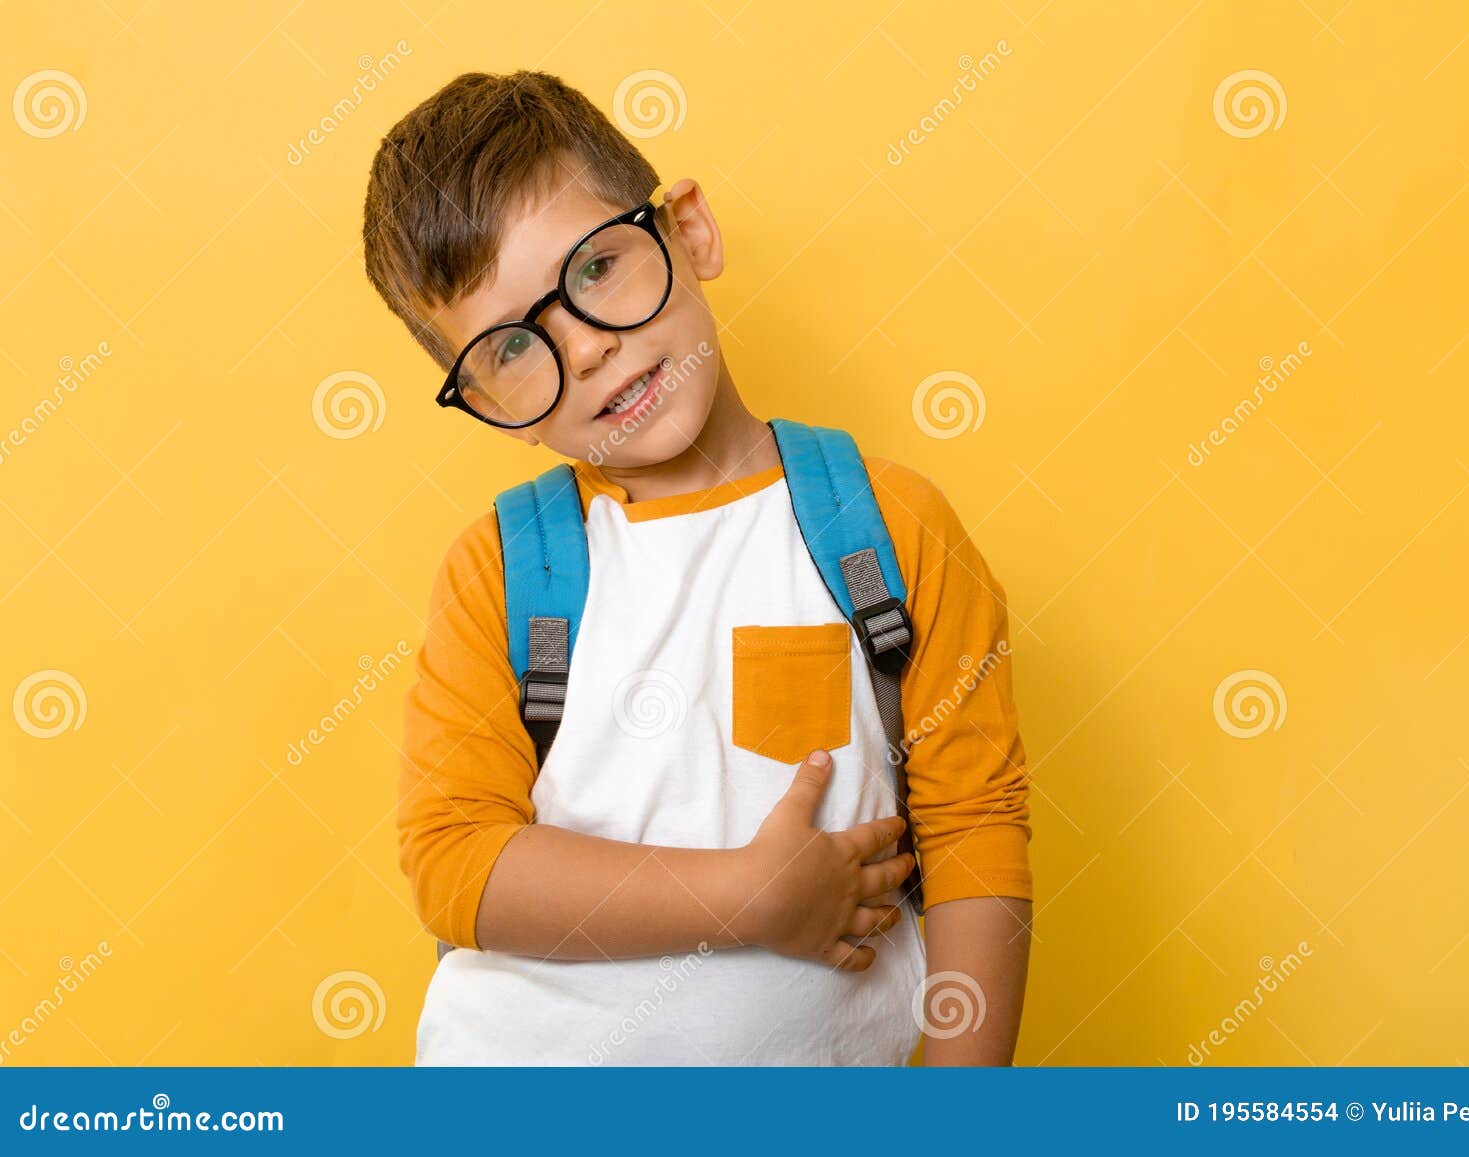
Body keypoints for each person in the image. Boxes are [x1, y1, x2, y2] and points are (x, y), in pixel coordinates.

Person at [361, 70, 1033, 1065]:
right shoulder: (501, 572)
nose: (584, 350)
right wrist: (745, 897)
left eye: (596, 269)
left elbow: (974, 829)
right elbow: (456, 864)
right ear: (489, 403)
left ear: (690, 230)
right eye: (510, 347)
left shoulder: (886, 530)